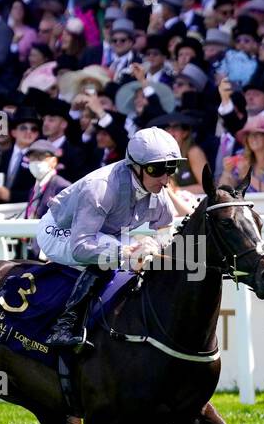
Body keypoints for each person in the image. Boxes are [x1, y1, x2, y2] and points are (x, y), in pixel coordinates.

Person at [36, 126, 187, 350]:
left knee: (142, 255)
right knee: (113, 253)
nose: (165, 179)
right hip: (60, 231)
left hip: (102, 233)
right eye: (156, 169)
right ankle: (64, 326)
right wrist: (126, 253)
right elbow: (81, 247)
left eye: (171, 168)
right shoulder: (102, 188)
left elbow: (165, 232)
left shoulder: (159, 194)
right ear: (135, 167)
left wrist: (156, 248)